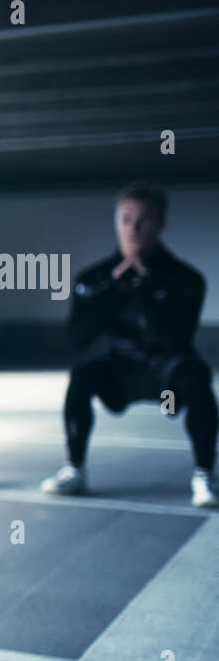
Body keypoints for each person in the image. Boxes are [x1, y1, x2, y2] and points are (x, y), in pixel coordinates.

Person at [41, 185, 216, 507]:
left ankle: (204, 475)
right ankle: (74, 469)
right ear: (116, 223)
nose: (133, 230)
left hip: (166, 380)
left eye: (144, 221)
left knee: (197, 377)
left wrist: (145, 290)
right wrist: (114, 290)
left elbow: (176, 340)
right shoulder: (92, 278)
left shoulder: (186, 280)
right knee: (81, 375)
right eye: (125, 220)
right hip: (117, 375)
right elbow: (76, 338)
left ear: (160, 225)